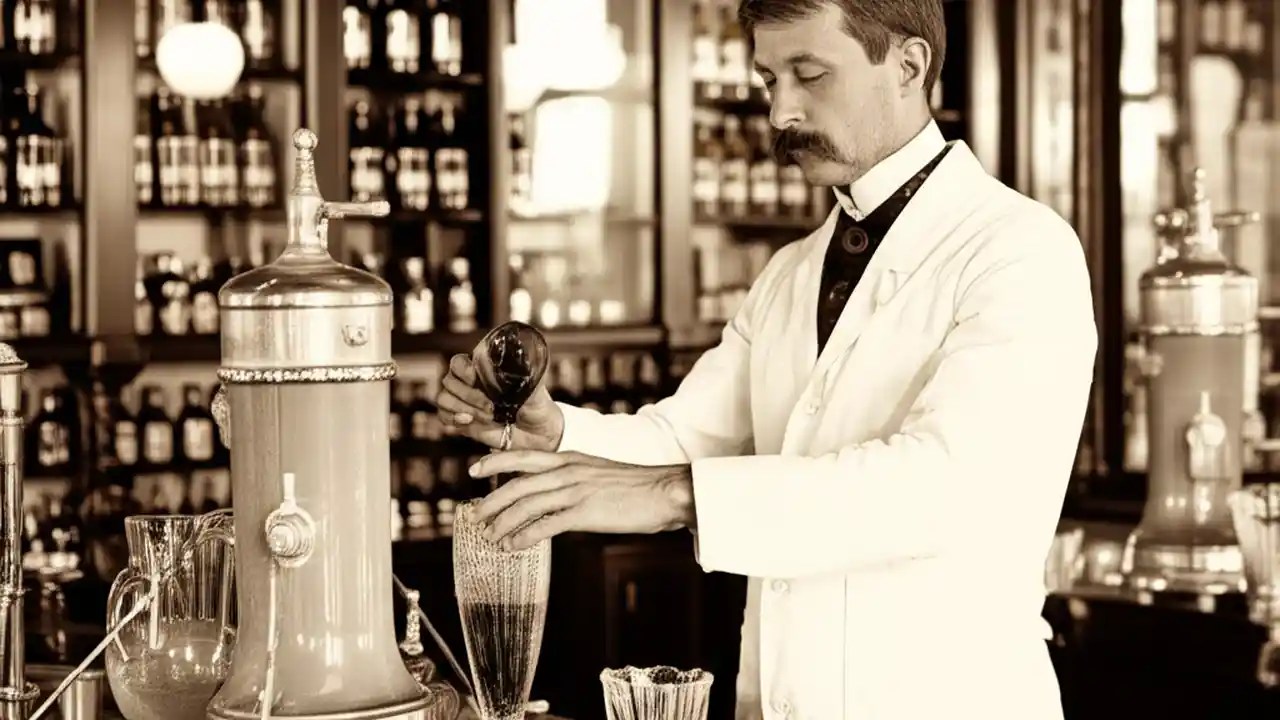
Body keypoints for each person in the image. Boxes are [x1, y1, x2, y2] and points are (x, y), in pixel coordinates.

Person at [438, 0, 1097, 717]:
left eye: (810, 75)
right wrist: (558, 432)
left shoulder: (1020, 250)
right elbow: (686, 434)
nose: (782, 112)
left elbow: (941, 486)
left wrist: (677, 495)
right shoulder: (792, 270)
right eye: (767, 80)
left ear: (909, 66)